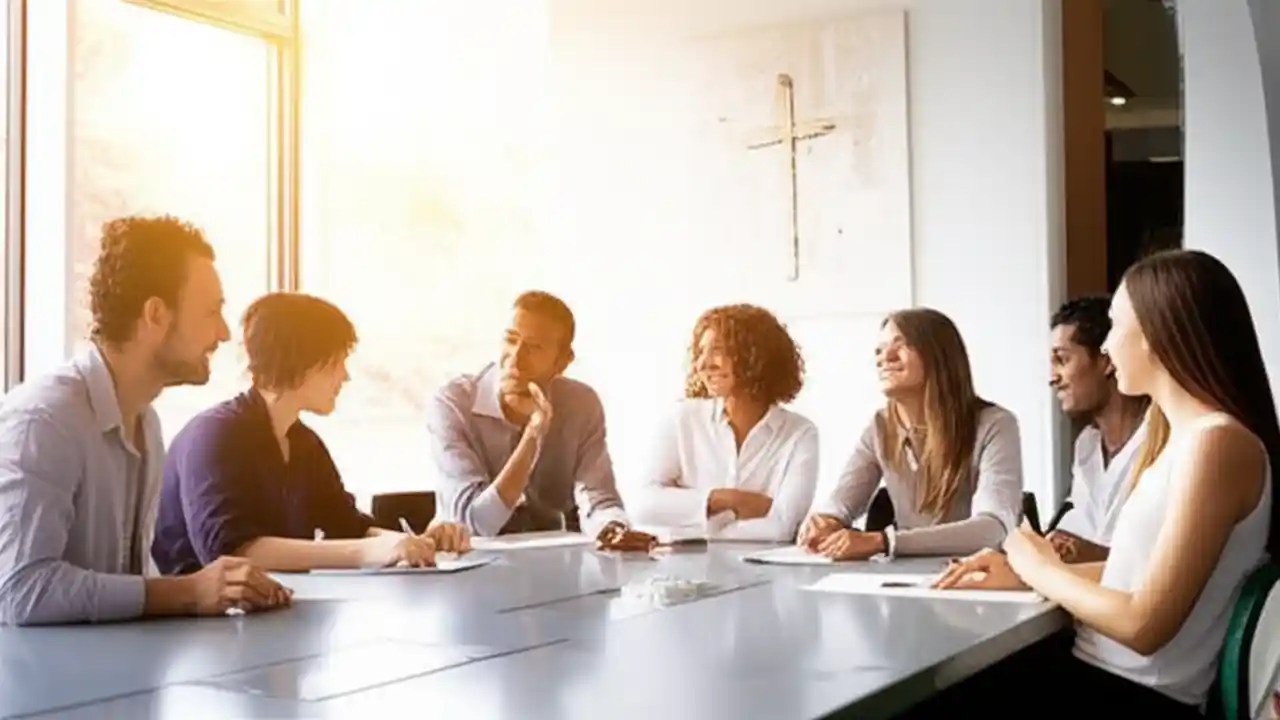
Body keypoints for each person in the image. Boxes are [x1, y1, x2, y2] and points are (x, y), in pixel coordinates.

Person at [936, 249, 1277, 716]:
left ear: (1159, 334)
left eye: (1115, 327)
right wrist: (1019, 573)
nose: (1108, 348)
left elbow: (1144, 624)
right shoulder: (1186, 442)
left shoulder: (1217, 445)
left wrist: (1040, 569)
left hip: (1132, 696)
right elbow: (1139, 575)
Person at [0, 215, 291, 625]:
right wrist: (189, 592)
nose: (224, 333)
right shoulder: (43, 421)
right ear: (156, 314)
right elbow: (20, 591)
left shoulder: (146, 424)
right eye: (211, 311)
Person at [153, 293, 470, 574]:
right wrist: (369, 552)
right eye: (337, 362)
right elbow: (229, 550)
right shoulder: (214, 435)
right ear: (302, 361)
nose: (344, 377)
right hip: (197, 630)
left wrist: (416, 541)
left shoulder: (304, 443)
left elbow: (348, 526)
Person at [796, 307, 1023, 560]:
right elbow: (841, 502)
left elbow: (993, 530)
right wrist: (827, 519)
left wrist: (884, 541)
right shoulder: (879, 427)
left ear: (940, 355)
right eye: (879, 350)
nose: (886, 357)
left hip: (977, 578)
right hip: (908, 580)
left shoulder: (995, 425)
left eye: (902, 345)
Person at [428, 291, 629, 537]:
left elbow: (599, 499)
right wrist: (533, 435)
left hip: (556, 562)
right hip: (470, 562)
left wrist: (613, 529)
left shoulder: (581, 404)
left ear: (562, 362)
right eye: (511, 340)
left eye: (534, 347)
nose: (516, 358)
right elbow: (477, 523)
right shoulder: (454, 404)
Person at [631, 304, 818, 542]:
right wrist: (724, 500)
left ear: (757, 356)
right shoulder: (682, 419)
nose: (703, 364)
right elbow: (643, 506)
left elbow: (782, 529)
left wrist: (692, 525)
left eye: (717, 351)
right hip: (685, 574)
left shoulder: (800, 434)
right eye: (700, 352)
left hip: (766, 573)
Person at [1047, 296, 1150, 562]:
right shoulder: (1087, 446)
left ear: (1107, 361)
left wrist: (1076, 552)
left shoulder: (1160, 442)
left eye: (1062, 359)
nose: (1052, 377)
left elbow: (1148, 567)